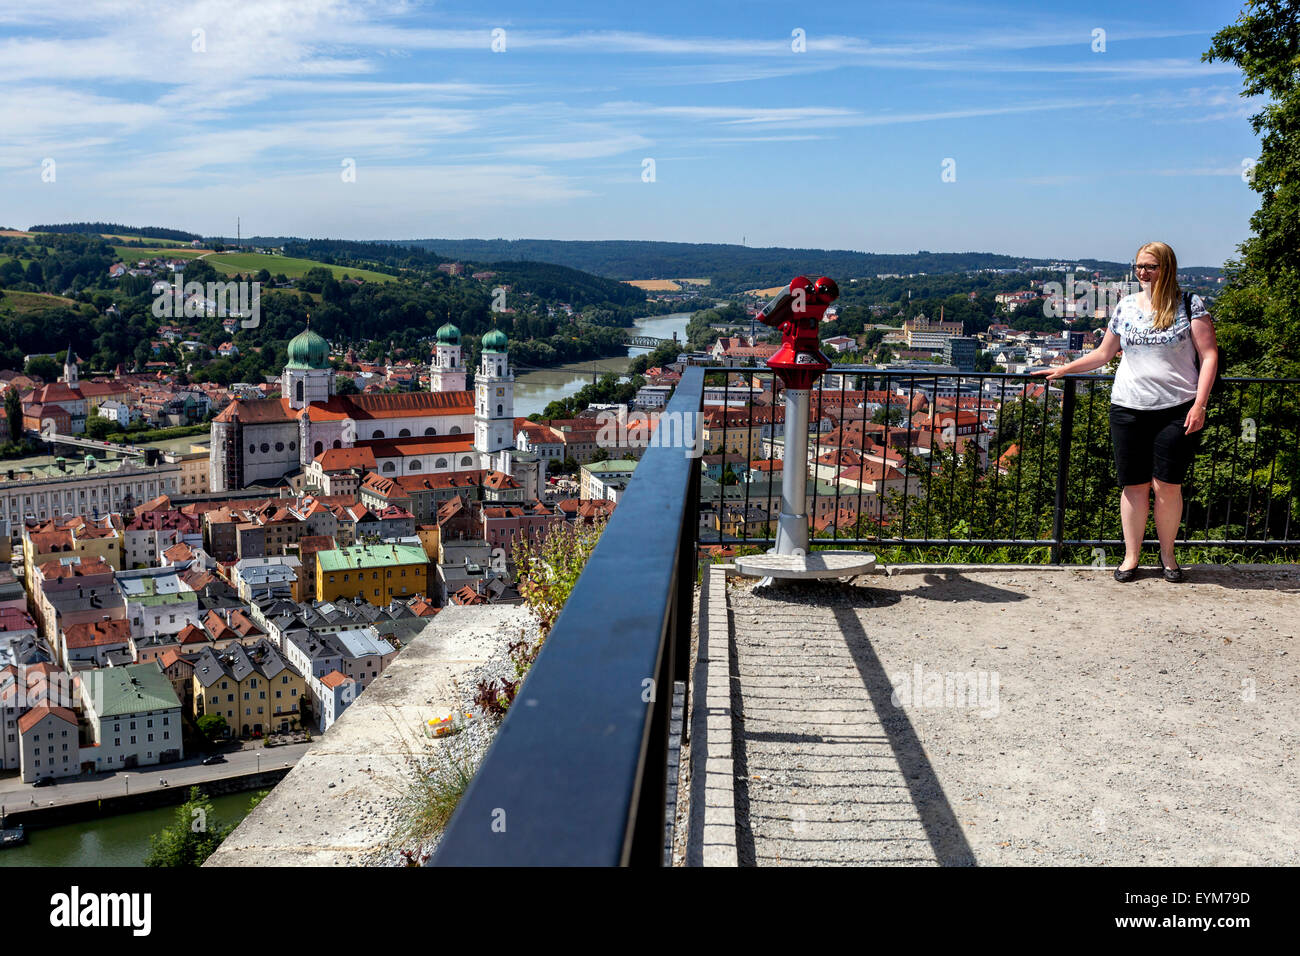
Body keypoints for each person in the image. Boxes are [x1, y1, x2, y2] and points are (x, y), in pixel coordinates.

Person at [1032, 241, 1218, 582]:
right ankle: (1131, 556)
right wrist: (1064, 369)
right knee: (1134, 485)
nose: (1142, 272)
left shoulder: (1189, 304)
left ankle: (1167, 556)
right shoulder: (1126, 306)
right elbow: (1104, 354)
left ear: (1167, 268)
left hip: (1177, 408)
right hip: (1128, 407)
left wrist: (1200, 404)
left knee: (1167, 486)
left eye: (1150, 266)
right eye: (1138, 266)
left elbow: (1209, 356)